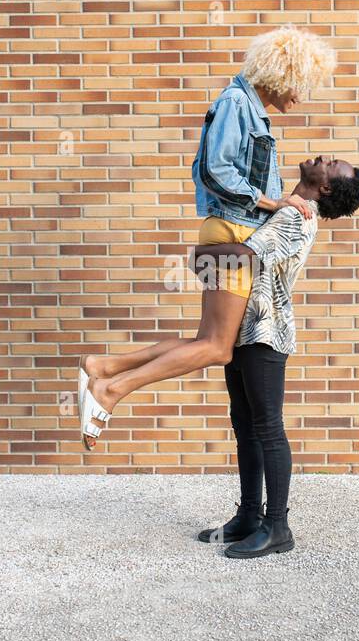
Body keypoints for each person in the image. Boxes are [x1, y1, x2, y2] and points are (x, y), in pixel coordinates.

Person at [78, 25, 337, 450]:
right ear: (282, 73)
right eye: (302, 85)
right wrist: (270, 202)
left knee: (208, 342)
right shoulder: (237, 102)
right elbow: (214, 169)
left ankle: (104, 366)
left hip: (233, 232)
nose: (302, 96)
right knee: (217, 348)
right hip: (233, 231)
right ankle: (110, 389)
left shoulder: (252, 108)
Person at [194, 155, 359, 558]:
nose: (323, 158)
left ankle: (278, 527)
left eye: (332, 165)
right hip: (243, 329)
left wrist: (198, 256)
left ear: (325, 188)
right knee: (245, 423)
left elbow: (244, 255)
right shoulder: (283, 207)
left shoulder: (297, 219)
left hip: (265, 332)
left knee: (267, 427)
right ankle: (249, 516)